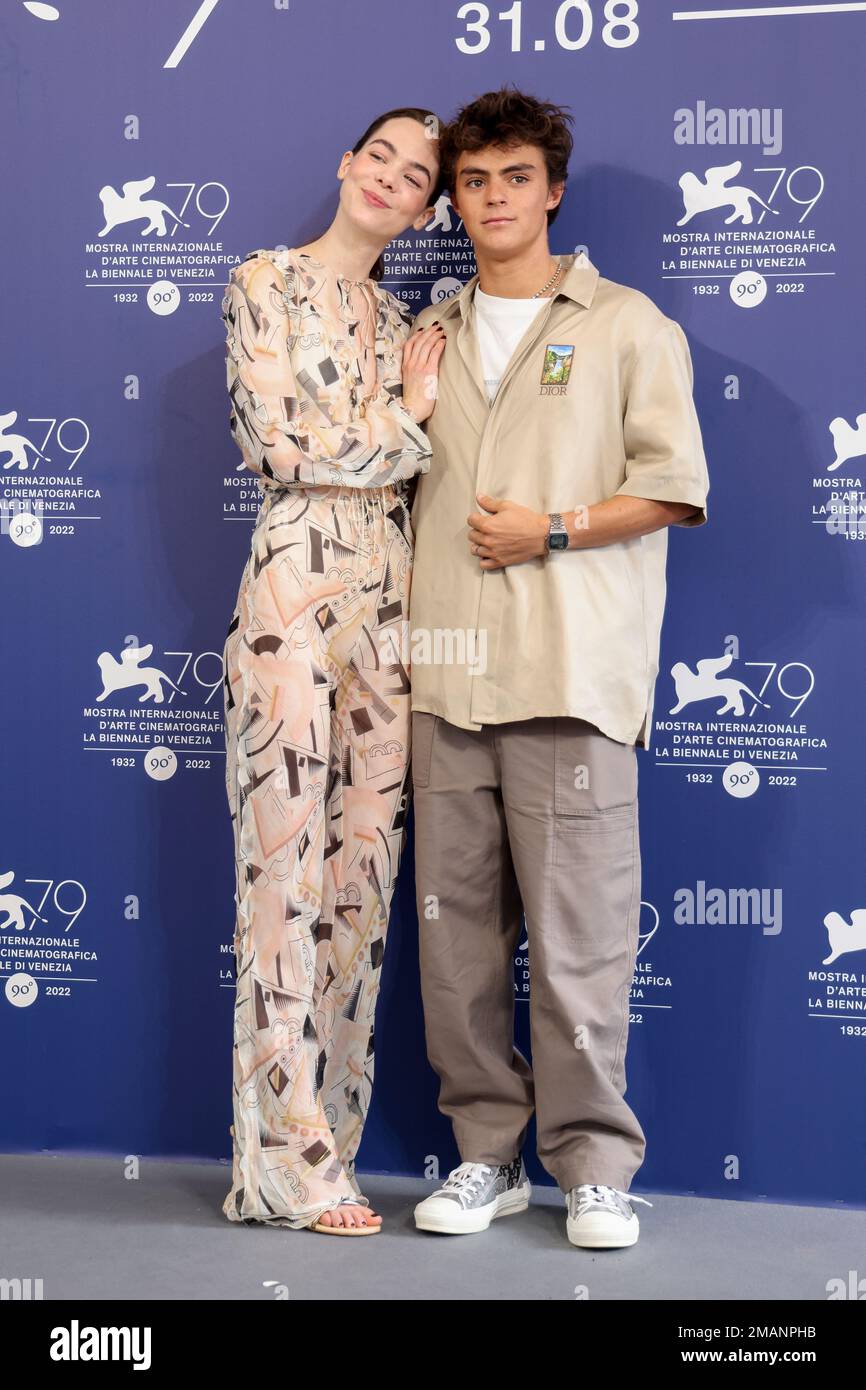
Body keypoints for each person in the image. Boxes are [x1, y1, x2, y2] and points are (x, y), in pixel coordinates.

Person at [406, 86, 710, 1249]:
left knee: (578, 942)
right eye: (473, 181)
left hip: (573, 674)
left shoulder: (629, 323)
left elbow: (675, 487)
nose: (491, 200)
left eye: (512, 179)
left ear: (551, 191)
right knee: (456, 944)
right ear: (456, 196)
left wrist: (555, 529)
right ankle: (486, 1155)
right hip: (443, 674)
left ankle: (593, 1166)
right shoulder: (421, 333)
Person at [221, 109, 446, 1235]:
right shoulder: (261, 279)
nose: (393, 182)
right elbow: (278, 447)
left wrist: (404, 420)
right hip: (288, 613)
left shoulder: (409, 319)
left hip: (389, 612)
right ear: (346, 164)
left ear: (424, 209)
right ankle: (282, 1155)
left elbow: (397, 482)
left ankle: (328, 1144)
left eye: (417, 179)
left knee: (360, 883)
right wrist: (406, 419)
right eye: (383, 159)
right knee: (283, 879)